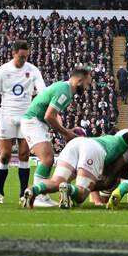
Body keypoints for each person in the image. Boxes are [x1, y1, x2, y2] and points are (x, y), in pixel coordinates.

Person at [19, 66, 91, 209]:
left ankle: (41, 195)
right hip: (33, 121)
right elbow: (49, 116)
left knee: (48, 159)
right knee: (47, 159)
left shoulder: (65, 90)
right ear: (79, 80)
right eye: (87, 84)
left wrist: (65, 130)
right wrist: (66, 133)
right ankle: (38, 196)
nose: (87, 88)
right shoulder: (64, 91)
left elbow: (53, 115)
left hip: (38, 123)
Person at [0, 39, 45, 204]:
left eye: (26, 57)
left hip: (26, 117)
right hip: (7, 116)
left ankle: (22, 194)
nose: (24, 60)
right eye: (21, 57)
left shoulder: (33, 70)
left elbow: (42, 90)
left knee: (24, 155)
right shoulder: (3, 71)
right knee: (5, 155)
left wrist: (42, 102)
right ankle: (0, 193)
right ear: (13, 54)